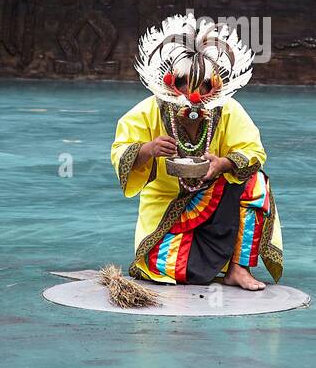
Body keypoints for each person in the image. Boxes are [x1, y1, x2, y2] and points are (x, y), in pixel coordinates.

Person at [110, 15, 282, 289]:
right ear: (171, 83)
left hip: (215, 201)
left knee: (256, 182)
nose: (194, 95)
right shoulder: (148, 110)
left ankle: (238, 268)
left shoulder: (228, 110)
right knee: (164, 267)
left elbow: (253, 152)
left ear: (215, 86)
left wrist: (223, 164)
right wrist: (147, 150)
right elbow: (120, 151)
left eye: (204, 86)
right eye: (184, 83)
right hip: (167, 209)